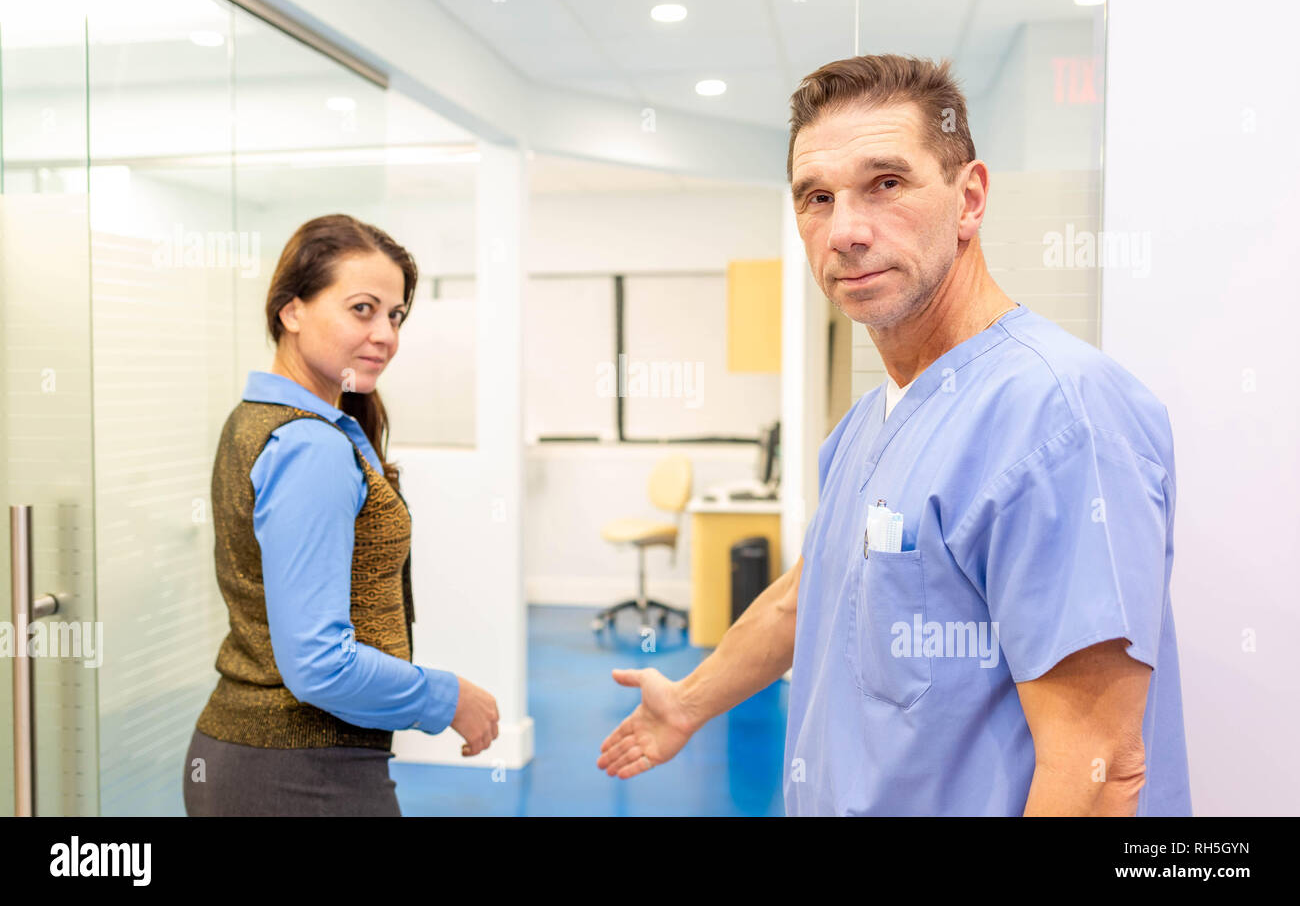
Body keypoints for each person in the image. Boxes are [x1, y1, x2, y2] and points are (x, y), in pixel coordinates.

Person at [596, 55, 1192, 816]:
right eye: (817, 197)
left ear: (968, 199)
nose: (844, 231)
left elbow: (1100, 766)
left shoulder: (1057, 414)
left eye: (886, 183)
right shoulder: (865, 426)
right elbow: (813, 593)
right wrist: (687, 701)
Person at [184, 213, 499, 816]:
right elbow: (319, 666)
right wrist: (448, 697)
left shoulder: (258, 418)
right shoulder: (311, 445)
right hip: (299, 776)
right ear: (292, 310)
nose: (385, 333)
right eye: (362, 308)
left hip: (251, 761)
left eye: (396, 314)